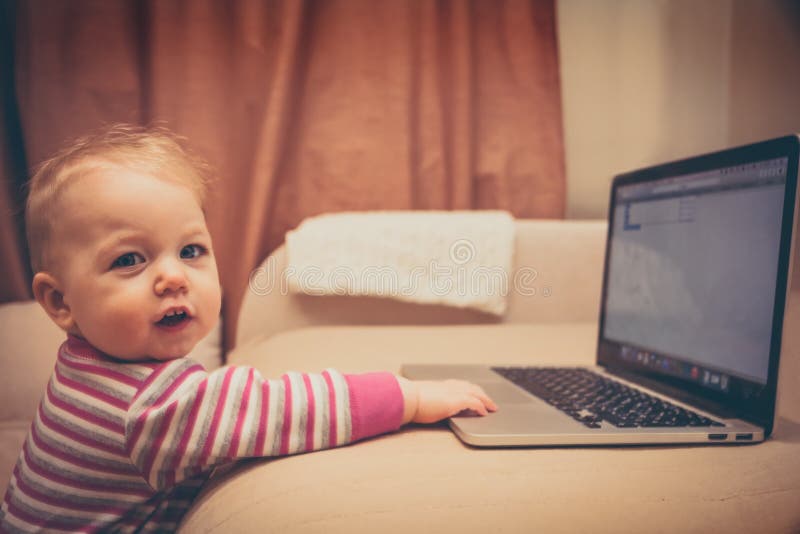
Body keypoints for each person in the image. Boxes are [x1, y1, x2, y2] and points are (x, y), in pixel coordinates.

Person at [0, 124, 497, 532]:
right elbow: (285, 410)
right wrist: (409, 398)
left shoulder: (87, 364)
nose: (173, 276)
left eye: (191, 250)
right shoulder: (148, 408)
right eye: (130, 259)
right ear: (60, 302)